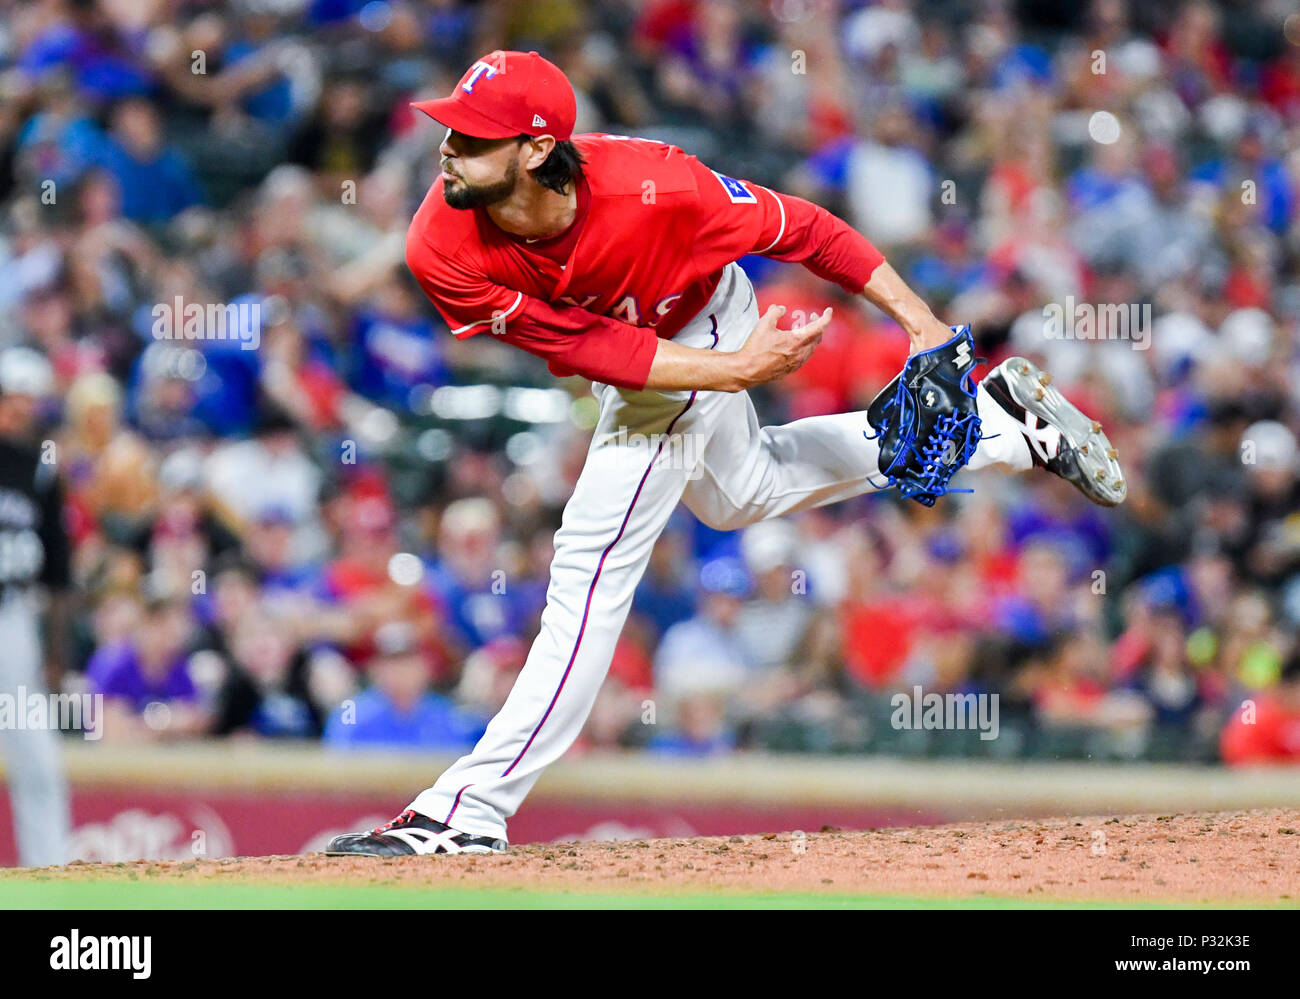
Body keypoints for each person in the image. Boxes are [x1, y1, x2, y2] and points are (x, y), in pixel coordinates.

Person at [327, 50, 1127, 857]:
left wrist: (921, 323)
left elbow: (808, 230)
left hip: (704, 313)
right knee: (739, 494)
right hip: (647, 351)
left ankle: (466, 811)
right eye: (451, 130)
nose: (447, 148)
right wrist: (735, 374)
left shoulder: (659, 187)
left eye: (472, 136)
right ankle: (1003, 428)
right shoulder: (441, 242)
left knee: (589, 562)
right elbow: (593, 347)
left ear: (537, 149)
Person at [0, 347, 74, 867]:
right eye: (13, 399)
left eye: (30, 400)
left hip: (12, 619)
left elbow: (59, 575)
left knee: (37, 758)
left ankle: (49, 874)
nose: (21, 410)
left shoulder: (42, 472)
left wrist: (56, 653)